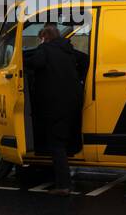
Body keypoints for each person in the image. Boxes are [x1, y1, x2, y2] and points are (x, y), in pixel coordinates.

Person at [23, 23, 89, 195]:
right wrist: (79, 79)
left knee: (56, 143)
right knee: (64, 139)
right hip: (73, 101)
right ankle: (59, 177)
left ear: (44, 37)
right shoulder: (68, 50)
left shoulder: (44, 50)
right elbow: (85, 60)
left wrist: (22, 61)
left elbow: (35, 63)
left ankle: (63, 186)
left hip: (55, 103)